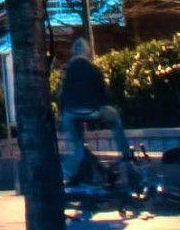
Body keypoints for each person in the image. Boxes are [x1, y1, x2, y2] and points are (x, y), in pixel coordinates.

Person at [59, 39, 138, 189]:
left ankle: (77, 163)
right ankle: (126, 154)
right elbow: (104, 96)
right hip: (92, 110)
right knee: (114, 117)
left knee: (77, 142)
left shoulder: (67, 71)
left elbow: (61, 96)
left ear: (73, 52)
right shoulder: (93, 69)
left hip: (70, 113)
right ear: (86, 51)